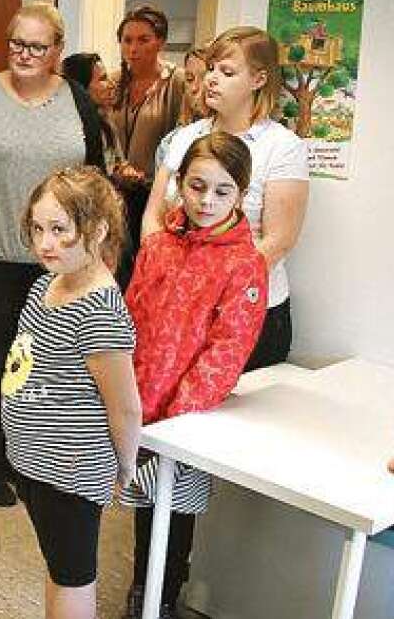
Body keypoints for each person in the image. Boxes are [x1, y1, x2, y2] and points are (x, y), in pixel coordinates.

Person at [120, 132, 268, 618]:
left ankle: (163, 598)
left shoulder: (245, 263)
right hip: (140, 402)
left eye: (222, 191)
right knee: (143, 510)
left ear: (241, 194)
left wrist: (178, 419)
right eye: (197, 186)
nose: (207, 201)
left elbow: (226, 351)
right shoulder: (158, 245)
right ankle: (141, 592)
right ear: (179, 183)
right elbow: (132, 315)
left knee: (175, 511)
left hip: (187, 419)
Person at [0, 3, 104, 507]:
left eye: (36, 47)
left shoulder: (79, 102)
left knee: (49, 370)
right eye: (16, 43)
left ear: (57, 52)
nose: (23, 54)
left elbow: (94, 181)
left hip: (62, 265)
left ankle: (34, 463)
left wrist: (94, 255)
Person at [3, 167, 140, 619]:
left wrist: (124, 465)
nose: (45, 243)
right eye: (39, 229)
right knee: (59, 564)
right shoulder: (47, 283)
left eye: (60, 230)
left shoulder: (100, 311)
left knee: (73, 576)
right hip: (33, 461)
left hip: (71, 470)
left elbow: (123, 406)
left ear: (96, 231)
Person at [142, 26, 309, 370]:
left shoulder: (281, 147)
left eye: (227, 72)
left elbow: (279, 239)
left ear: (259, 79)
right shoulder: (186, 137)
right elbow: (153, 217)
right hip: (177, 305)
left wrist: (211, 286)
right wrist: (166, 276)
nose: (211, 79)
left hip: (245, 310)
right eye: (212, 68)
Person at [106, 5, 186, 252]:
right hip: (114, 190)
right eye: (127, 40)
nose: (133, 48)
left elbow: (182, 136)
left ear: (160, 42)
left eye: (144, 40)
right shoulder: (113, 81)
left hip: (155, 193)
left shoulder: (177, 81)